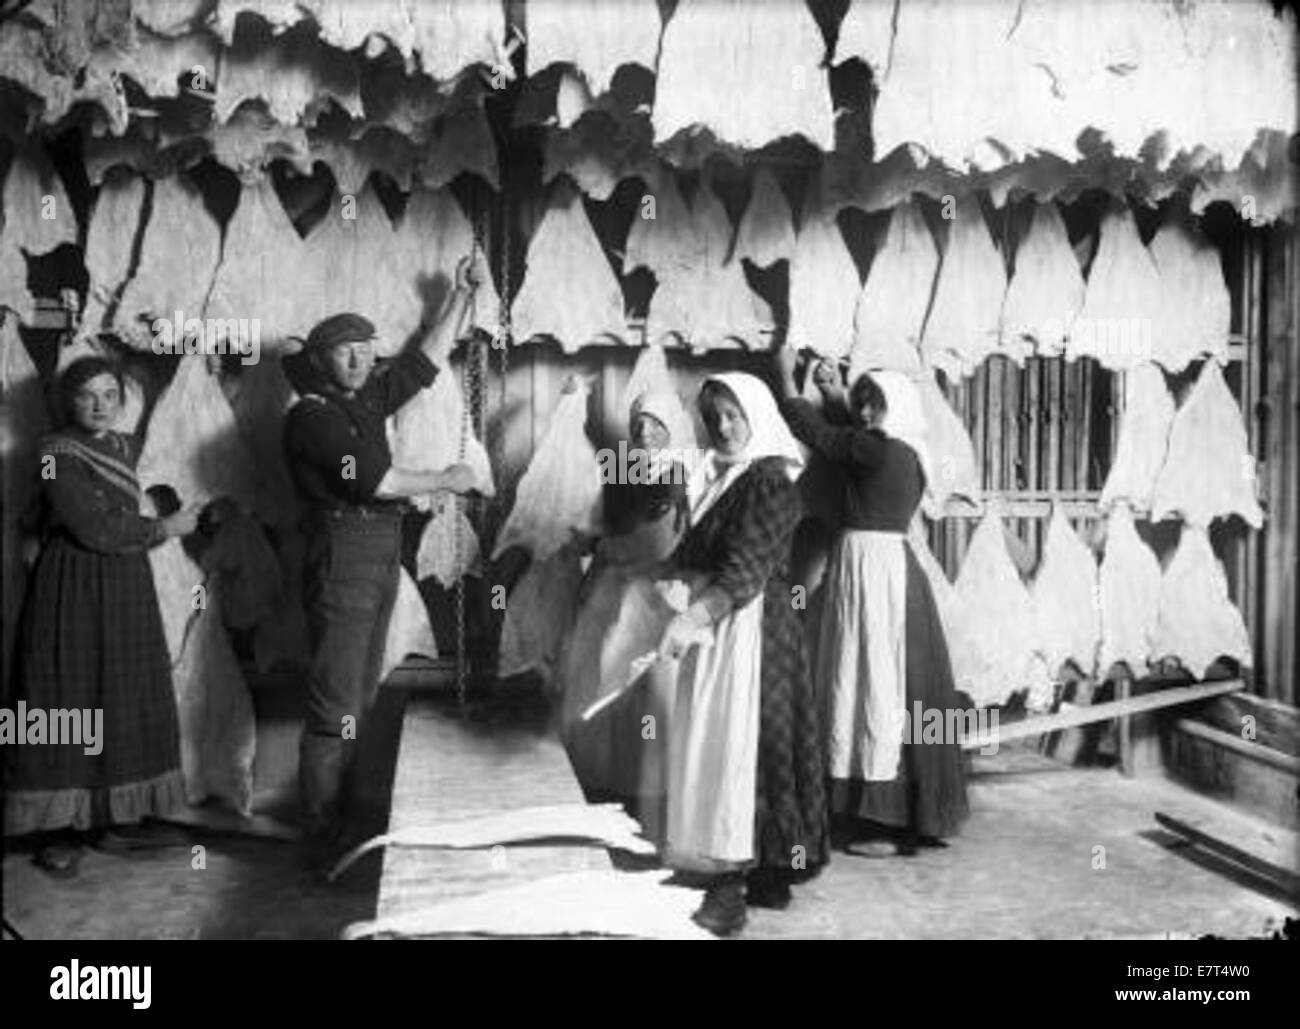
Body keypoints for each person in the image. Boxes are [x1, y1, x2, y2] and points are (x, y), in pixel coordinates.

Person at [283, 258, 481, 859]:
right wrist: (448, 477)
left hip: (376, 549)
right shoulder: (310, 416)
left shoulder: (364, 399)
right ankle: (320, 834)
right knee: (335, 700)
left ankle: (345, 819)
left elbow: (424, 363)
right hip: (342, 551)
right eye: (344, 352)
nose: (358, 361)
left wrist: (461, 295)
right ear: (320, 361)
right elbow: (374, 481)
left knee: (360, 692)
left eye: (365, 350)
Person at [3, 356, 199, 877]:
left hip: (124, 585)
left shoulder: (123, 447)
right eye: (87, 395)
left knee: (119, 693)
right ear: (67, 400)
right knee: (67, 695)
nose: (99, 405)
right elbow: (93, 528)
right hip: (71, 585)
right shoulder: (51, 453)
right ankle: (57, 830)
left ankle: (111, 821)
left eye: (110, 395)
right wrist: (166, 528)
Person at [775, 347, 968, 857]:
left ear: (895, 407)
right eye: (860, 403)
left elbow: (820, 435)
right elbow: (849, 440)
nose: (864, 414)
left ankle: (880, 817)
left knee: (871, 683)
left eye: (873, 404)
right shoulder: (907, 447)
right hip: (882, 569)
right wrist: (839, 393)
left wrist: (789, 382)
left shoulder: (877, 449)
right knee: (869, 679)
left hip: (872, 574)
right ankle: (878, 811)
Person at [655, 373, 829, 936]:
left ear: (756, 416)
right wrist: (672, 587)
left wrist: (692, 615)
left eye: (734, 416)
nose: (725, 427)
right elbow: (693, 553)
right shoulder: (722, 477)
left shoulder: (771, 480)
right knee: (736, 749)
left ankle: (730, 890)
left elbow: (746, 571)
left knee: (741, 754)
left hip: (752, 628)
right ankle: (766, 871)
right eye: (716, 418)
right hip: (720, 623)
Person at [558, 388, 692, 839]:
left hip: (656, 594)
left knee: (644, 688)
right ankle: (611, 790)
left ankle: (650, 798)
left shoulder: (678, 475)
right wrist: (592, 544)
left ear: (673, 427)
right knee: (601, 680)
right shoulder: (626, 472)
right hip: (616, 585)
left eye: (656, 425)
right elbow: (609, 524)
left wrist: (599, 546)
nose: (646, 434)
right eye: (639, 426)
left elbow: (656, 544)